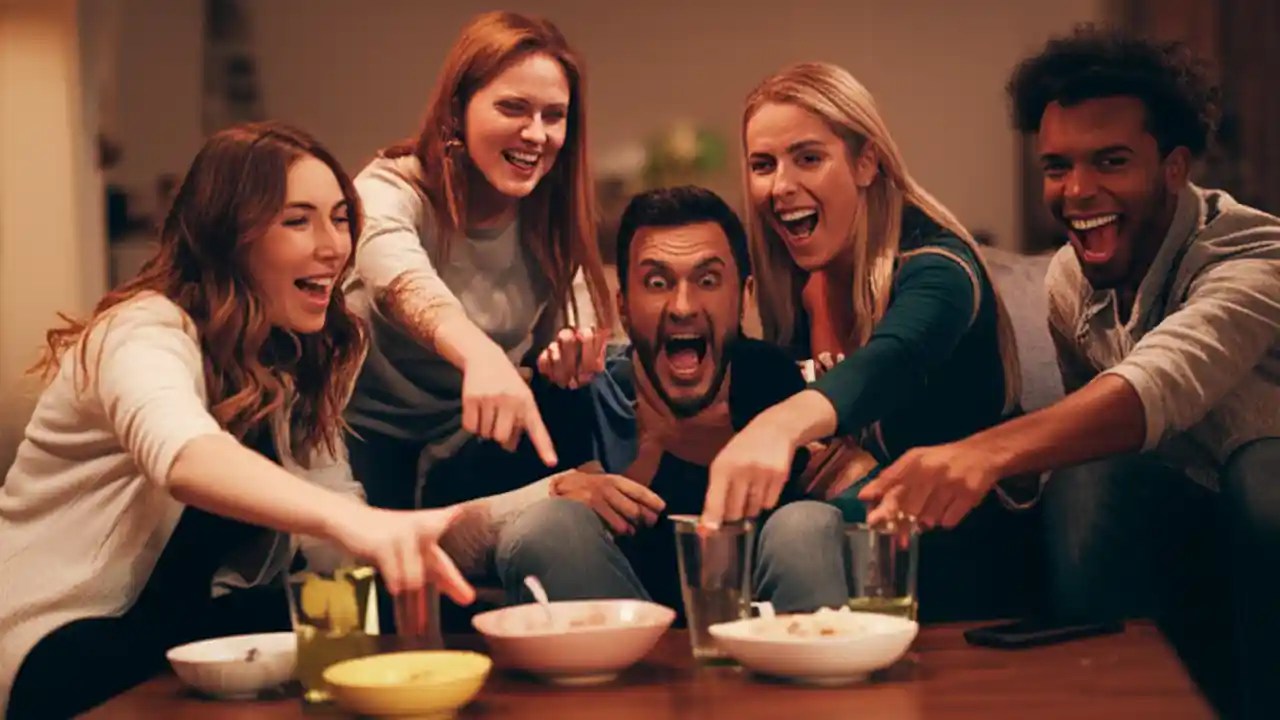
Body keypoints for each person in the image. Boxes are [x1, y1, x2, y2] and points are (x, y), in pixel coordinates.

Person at [859, 27, 1280, 718]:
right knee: (1085, 483)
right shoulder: (1070, 281)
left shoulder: (1253, 255)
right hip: (1184, 533)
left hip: (1265, 528)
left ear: (1174, 167)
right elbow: (1094, 434)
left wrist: (986, 453)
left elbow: (1156, 383)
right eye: (1058, 166)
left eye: (1110, 161)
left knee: (1263, 474)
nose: (1079, 191)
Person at [0, 122, 472, 719]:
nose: (333, 246)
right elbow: (185, 457)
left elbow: (332, 538)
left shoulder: (298, 356)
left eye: (340, 217)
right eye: (297, 220)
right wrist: (354, 524)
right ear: (228, 236)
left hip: (193, 631)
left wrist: (439, 545)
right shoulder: (141, 330)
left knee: (403, 613)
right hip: (64, 643)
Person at [489, 186, 848, 615]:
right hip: (621, 654)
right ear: (622, 306)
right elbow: (459, 514)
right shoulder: (576, 395)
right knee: (548, 525)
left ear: (744, 297)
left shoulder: (776, 389)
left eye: (708, 280)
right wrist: (549, 487)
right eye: (657, 282)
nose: (682, 306)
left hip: (765, 648)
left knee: (806, 524)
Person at [701, 60, 1022, 533]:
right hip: (857, 523)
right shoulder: (797, 281)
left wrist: (779, 428)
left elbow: (889, 362)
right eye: (763, 165)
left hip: (967, 540)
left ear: (866, 162)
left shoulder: (941, 270)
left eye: (808, 158)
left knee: (799, 530)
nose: (781, 186)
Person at [343, 10, 614, 513]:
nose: (536, 134)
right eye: (513, 108)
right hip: (360, 444)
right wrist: (482, 356)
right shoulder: (388, 190)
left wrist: (571, 356)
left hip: (469, 449)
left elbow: (582, 326)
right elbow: (400, 280)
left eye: (553, 116)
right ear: (457, 110)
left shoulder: (547, 221)